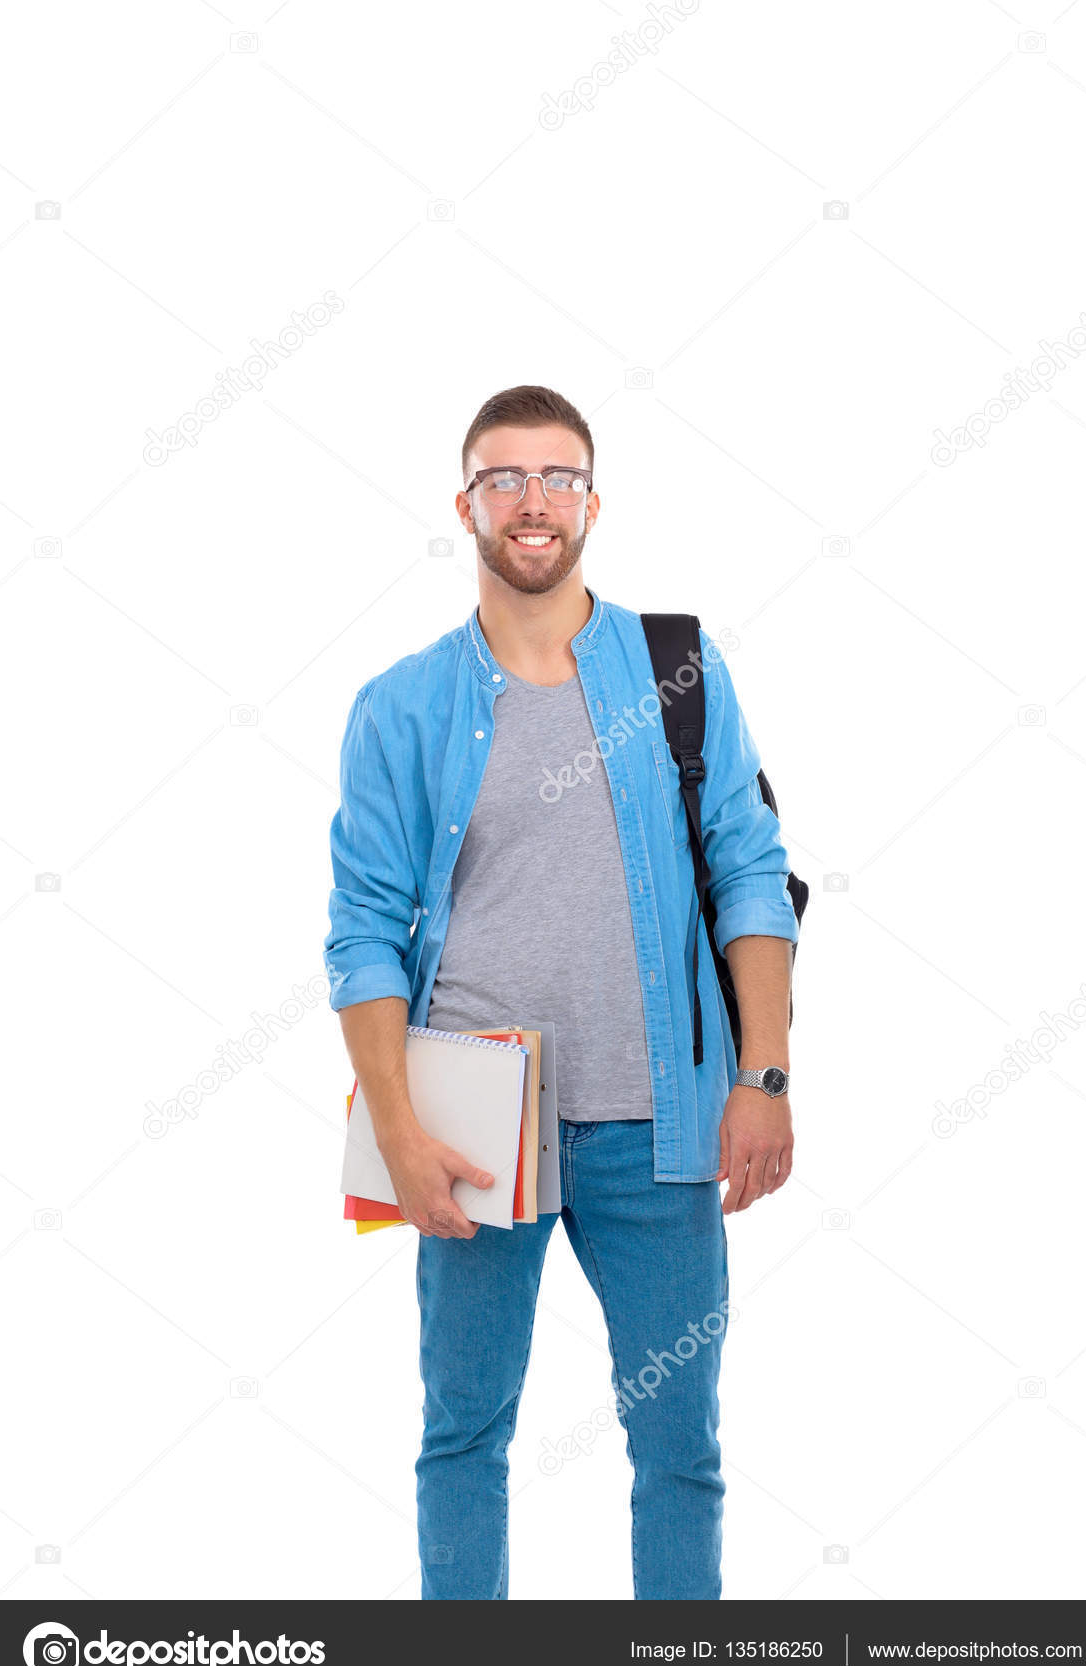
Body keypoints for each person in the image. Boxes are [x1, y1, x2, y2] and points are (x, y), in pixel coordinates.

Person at [324, 384, 800, 1600]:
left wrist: (762, 1073)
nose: (531, 500)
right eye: (504, 478)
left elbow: (749, 872)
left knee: (678, 1447)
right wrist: (397, 1130)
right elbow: (364, 930)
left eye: (557, 477)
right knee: (463, 1435)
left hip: (659, 1120)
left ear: (592, 501)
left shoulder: (677, 671)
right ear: (465, 505)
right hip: (474, 1127)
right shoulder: (400, 705)